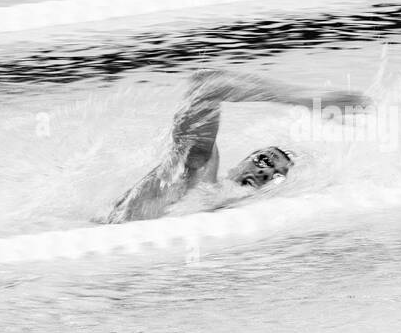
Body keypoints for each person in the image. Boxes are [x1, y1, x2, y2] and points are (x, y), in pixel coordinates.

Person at [106, 69, 371, 223]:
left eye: (275, 178)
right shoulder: (199, 172)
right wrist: (301, 98)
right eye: (264, 162)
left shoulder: (231, 217)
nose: (263, 174)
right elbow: (206, 86)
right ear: (243, 161)